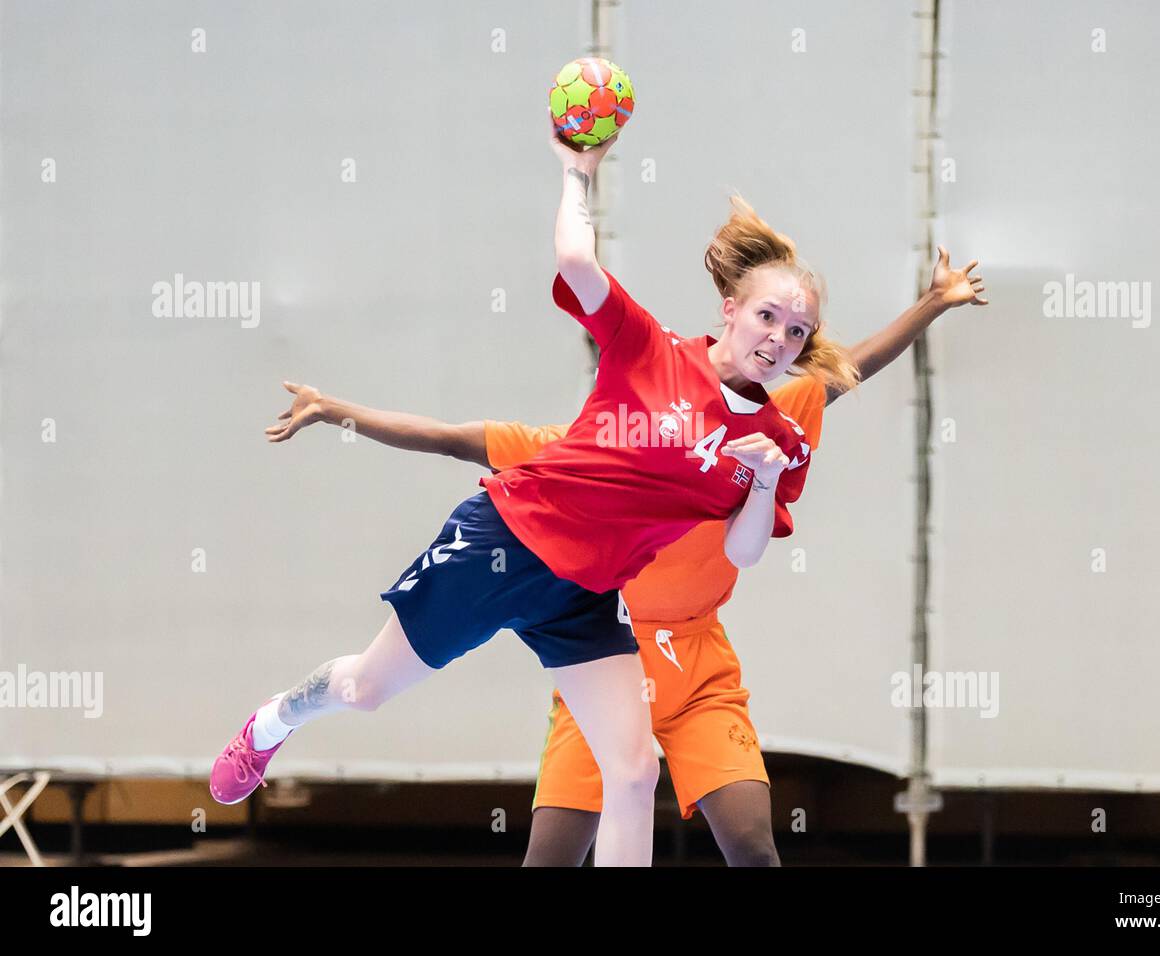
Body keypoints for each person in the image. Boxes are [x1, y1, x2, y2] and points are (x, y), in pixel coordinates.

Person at [207, 124, 860, 867]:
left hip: (582, 595)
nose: (778, 338)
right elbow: (577, 262)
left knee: (635, 768)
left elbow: (744, 551)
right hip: (505, 542)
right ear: (731, 311)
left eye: (797, 330)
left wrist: (767, 476)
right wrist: (577, 174)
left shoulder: (777, 439)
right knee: (363, 688)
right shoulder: (650, 351)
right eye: (767, 317)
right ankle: (273, 722)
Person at [258, 241, 987, 866]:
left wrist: (933, 304)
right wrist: (336, 410)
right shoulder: (563, 457)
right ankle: (280, 719)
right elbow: (448, 436)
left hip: (697, 665)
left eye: (789, 327)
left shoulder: (760, 424)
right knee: (551, 853)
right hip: (609, 657)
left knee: (755, 850)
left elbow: (847, 368)